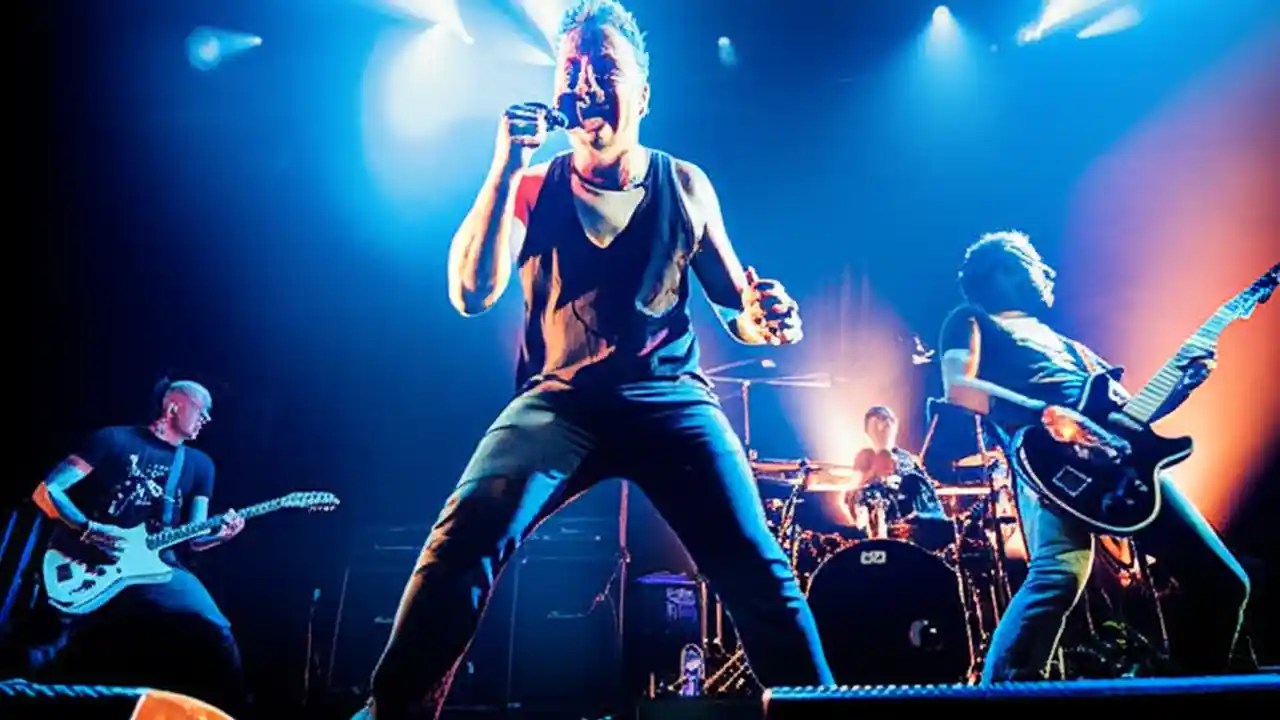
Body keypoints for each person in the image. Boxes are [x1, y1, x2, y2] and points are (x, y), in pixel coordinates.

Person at [357, 1, 833, 717]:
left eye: (603, 67)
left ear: (642, 93)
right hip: (559, 402)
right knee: (465, 533)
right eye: (571, 68)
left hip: (669, 398)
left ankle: (818, 706)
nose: (583, 82)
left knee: (755, 566)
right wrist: (504, 164)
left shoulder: (687, 185)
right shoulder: (530, 184)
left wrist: (771, 320)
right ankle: (390, 710)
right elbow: (469, 292)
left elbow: (743, 310)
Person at [936, 230, 1250, 682]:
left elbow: (1127, 415)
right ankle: (1000, 696)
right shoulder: (972, 320)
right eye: (1031, 261)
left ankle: (1189, 690)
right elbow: (960, 388)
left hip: (1118, 467)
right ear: (1001, 269)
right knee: (1057, 578)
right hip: (1050, 466)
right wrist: (1047, 414)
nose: (1047, 271)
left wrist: (1183, 385)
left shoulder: (1070, 348)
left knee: (1222, 582)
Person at [28, 379, 246, 712]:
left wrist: (221, 534)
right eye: (203, 409)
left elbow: (195, 537)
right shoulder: (112, 439)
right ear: (173, 405)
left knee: (216, 631)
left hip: (159, 566)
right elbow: (48, 491)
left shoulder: (200, 464)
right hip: (91, 559)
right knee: (50, 645)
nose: (208, 419)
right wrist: (87, 529)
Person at [846, 405, 949, 548]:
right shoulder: (865, 456)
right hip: (882, 523)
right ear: (868, 429)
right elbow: (852, 492)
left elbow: (927, 490)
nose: (886, 422)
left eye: (890, 419)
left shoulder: (907, 458)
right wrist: (874, 473)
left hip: (913, 524)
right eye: (880, 418)